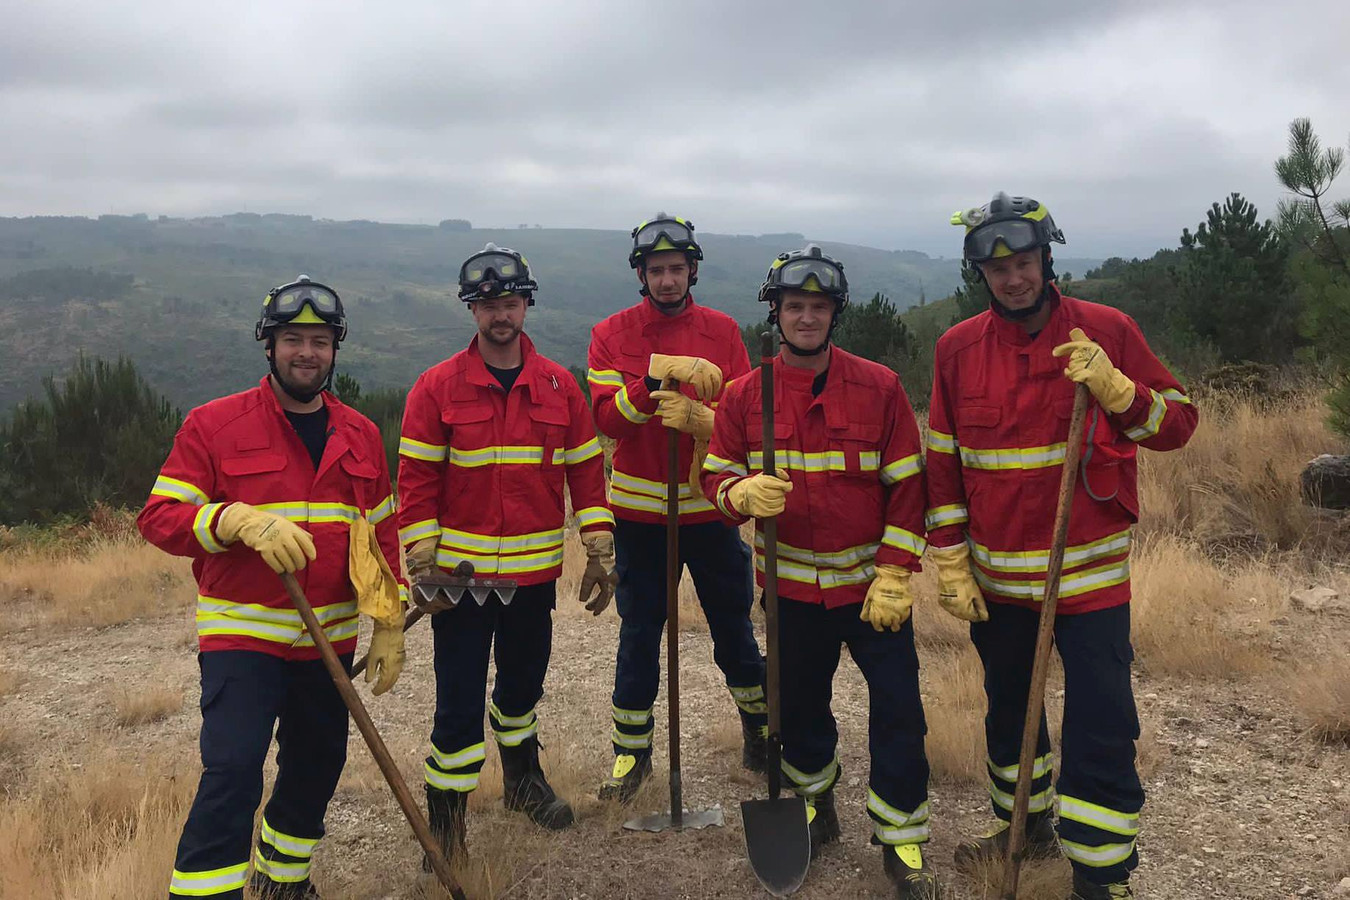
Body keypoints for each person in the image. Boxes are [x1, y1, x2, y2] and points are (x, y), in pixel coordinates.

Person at [929, 193, 1197, 900]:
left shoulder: (1106, 330)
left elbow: (1177, 426)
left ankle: (1102, 873)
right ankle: (1022, 828)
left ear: (1047, 259)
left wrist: (1118, 389)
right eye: (998, 269)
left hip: (1089, 583)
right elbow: (943, 463)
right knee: (1009, 715)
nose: (1013, 278)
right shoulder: (957, 350)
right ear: (980, 275)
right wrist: (950, 557)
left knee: (1101, 721)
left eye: (1024, 263)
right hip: (998, 584)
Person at [139, 276, 406, 900]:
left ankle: (284, 880)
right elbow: (159, 518)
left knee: (316, 765)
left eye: (320, 341)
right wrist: (229, 519)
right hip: (243, 638)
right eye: (293, 340)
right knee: (234, 770)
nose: (306, 353)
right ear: (269, 345)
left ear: (335, 349)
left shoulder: (361, 434)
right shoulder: (214, 425)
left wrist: (389, 619)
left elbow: (380, 534)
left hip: (329, 640)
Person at [702, 245, 937, 898]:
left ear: (836, 313)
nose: (807, 317)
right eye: (794, 306)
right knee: (800, 709)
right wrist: (739, 494)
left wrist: (895, 572)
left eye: (819, 306)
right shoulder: (746, 395)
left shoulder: (880, 387)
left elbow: (907, 488)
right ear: (775, 313)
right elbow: (714, 476)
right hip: (792, 593)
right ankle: (813, 806)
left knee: (899, 711)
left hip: (872, 592)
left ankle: (902, 838)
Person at [397, 244, 615, 861]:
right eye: (489, 303)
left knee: (522, 689)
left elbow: (587, 475)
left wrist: (598, 545)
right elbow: (416, 483)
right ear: (472, 309)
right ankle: (446, 830)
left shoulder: (560, 389)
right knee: (457, 706)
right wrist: (422, 559)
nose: (501, 313)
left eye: (511, 302)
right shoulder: (436, 388)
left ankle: (522, 783)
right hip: (459, 583)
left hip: (532, 578)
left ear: (526, 305)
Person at [586, 213, 768, 801]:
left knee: (733, 629)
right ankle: (630, 754)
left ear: (692, 270)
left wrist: (705, 421)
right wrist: (650, 384)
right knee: (640, 635)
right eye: (656, 270)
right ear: (641, 274)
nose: (667, 280)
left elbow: (746, 418)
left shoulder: (722, 331)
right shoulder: (610, 333)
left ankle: (761, 732)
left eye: (676, 269)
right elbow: (607, 419)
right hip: (640, 519)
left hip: (710, 513)